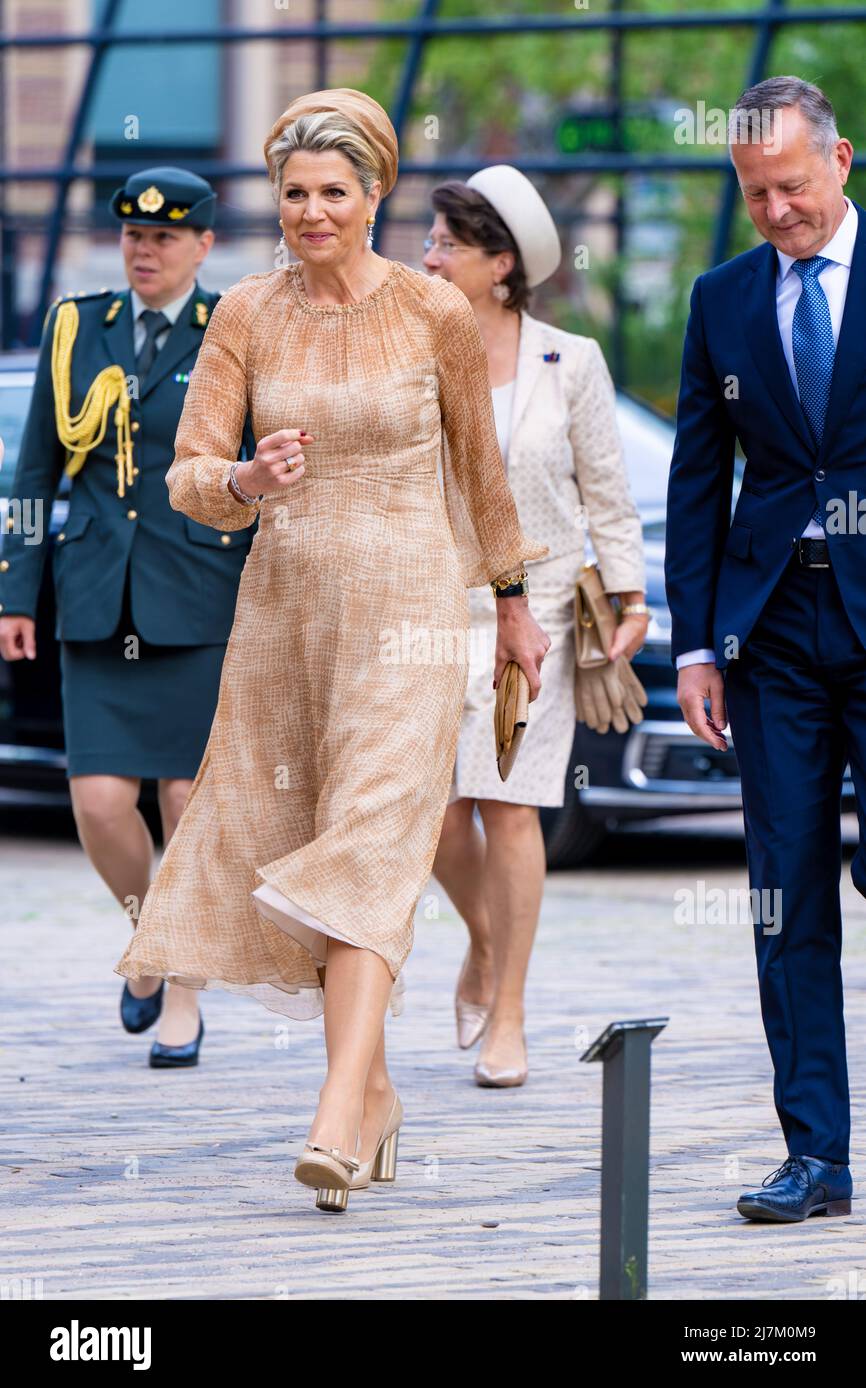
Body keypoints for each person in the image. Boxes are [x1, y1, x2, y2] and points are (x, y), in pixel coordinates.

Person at [113, 88, 551, 1211]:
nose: (313, 211)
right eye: (295, 192)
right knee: (309, 849)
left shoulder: (432, 312)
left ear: (375, 195)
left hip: (409, 614)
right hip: (285, 623)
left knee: (364, 852)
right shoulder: (247, 314)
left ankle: (331, 1114)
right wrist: (246, 482)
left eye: (334, 192)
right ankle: (376, 1098)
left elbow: (481, 476)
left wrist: (511, 604)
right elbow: (188, 474)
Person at [0, 166, 256, 1067]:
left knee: (188, 798)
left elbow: (251, 467)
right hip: (96, 594)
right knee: (101, 801)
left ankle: (183, 986)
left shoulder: (233, 328)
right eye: (133, 236)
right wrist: (13, 594)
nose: (144, 251)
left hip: (198, 596)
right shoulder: (80, 327)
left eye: (164, 238)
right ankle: (150, 937)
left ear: (202, 245)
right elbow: (34, 473)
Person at [666, 76, 860, 1222]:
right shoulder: (720, 299)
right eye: (753, 194)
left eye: (791, 184)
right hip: (773, 635)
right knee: (784, 897)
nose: (776, 210)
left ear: (840, 159)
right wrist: (695, 644)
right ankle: (816, 1157)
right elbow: (696, 478)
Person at [425, 168, 647, 1086]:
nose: (426, 256)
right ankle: (482, 939)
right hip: (430, 611)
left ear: (501, 263)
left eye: (445, 244)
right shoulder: (409, 349)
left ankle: (509, 1007)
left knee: (513, 809)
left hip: (542, 616)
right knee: (433, 813)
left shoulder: (572, 359)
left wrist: (630, 600)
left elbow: (608, 492)